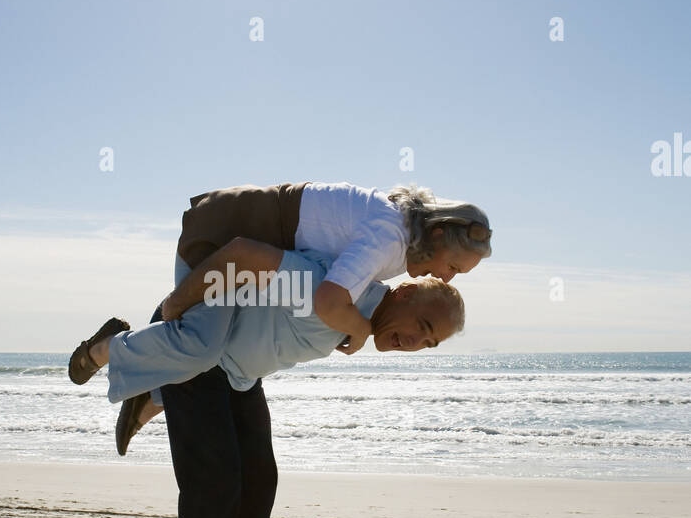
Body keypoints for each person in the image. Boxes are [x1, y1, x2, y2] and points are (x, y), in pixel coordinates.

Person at [90, 244, 465, 518]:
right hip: (201, 365)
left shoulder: (357, 319)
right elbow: (244, 258)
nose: (416, 344)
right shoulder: (331, 290)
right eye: (422, 326)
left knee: (258, 487)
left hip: (239, 377)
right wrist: (179, 303)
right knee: (215, 492)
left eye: (429, 342)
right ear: (400, 295)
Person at [68, 181, 491, 454]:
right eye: (453, 265)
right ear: (437, 234)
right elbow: (328, 301)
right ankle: (104, 348)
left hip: (249, 259)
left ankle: (149, 400)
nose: (447, 275)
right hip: (218, 241)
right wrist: (361, 330)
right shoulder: (390, 239)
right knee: (201, 345)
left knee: (234, 358)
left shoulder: (397, 245)